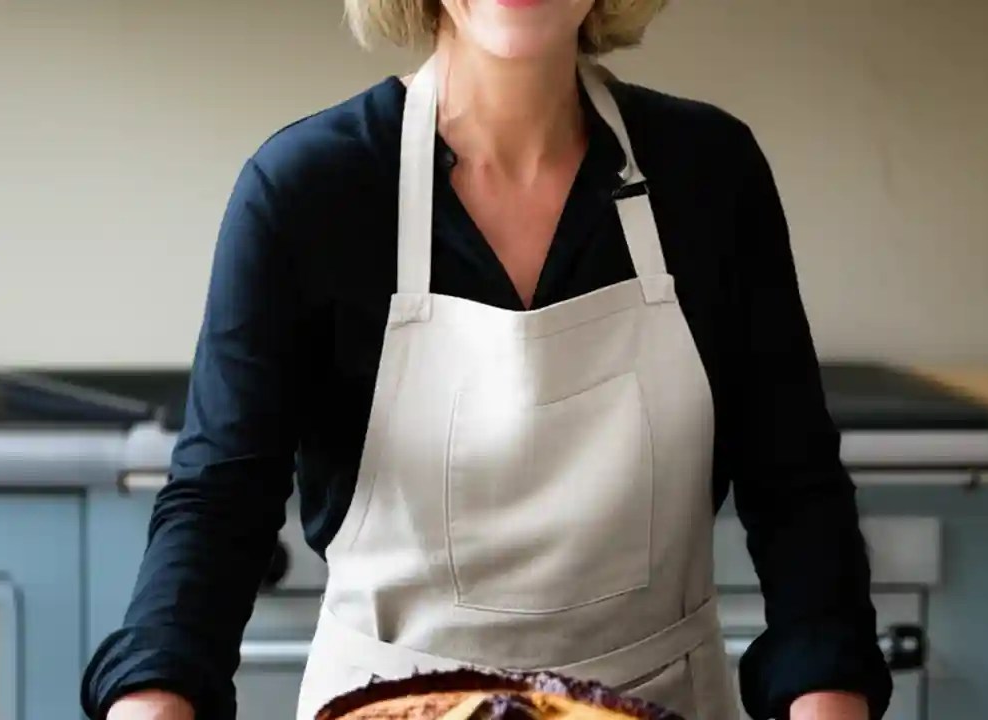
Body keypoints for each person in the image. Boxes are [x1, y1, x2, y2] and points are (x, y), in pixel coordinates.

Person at [81, 1, 893, 718]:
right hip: (387, 703)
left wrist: (830, 697)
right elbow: (219, 498)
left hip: (662, 701)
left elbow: (796, 491)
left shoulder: (711, 175)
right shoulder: (306, 191)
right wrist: (154, 694)